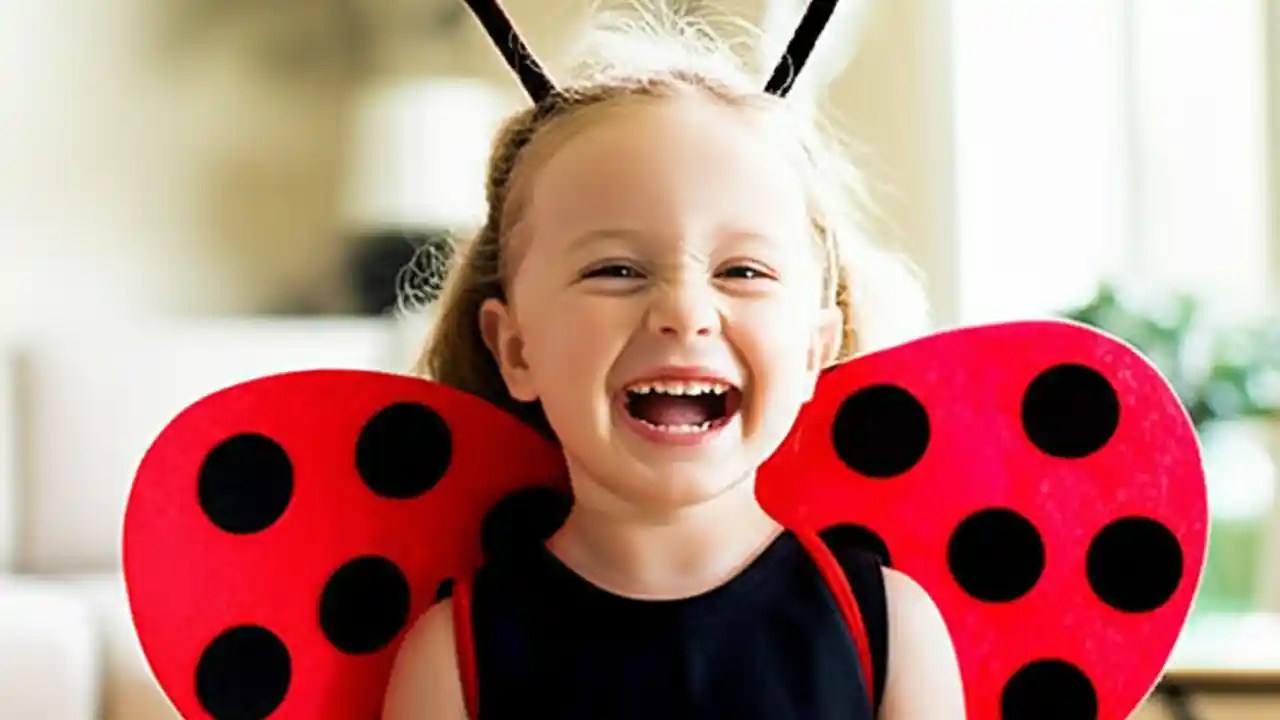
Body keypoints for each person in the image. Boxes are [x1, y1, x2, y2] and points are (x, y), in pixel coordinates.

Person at [383, 4, 963, 718]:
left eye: (744, 271)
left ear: (816, 348)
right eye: (616, 270)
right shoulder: (453, 655)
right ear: (515, 347)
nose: (684, 312)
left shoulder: (893, 634)